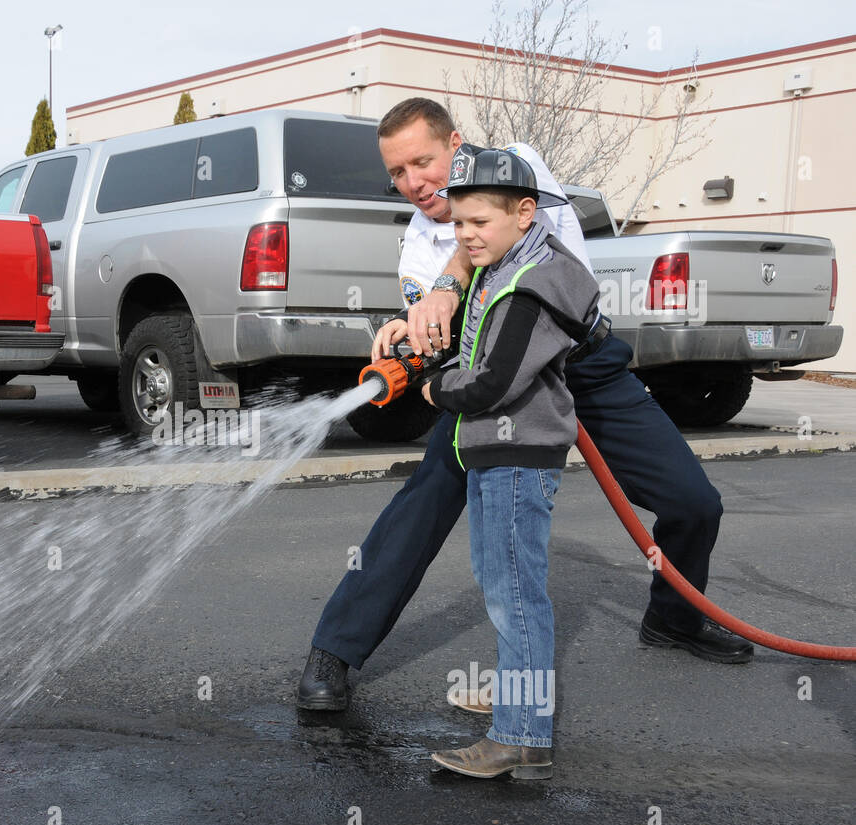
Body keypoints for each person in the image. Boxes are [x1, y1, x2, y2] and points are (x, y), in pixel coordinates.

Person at [296, 98, 749, 715]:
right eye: (398, 173)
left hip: (585, 367)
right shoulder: (414, 247)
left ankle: (674, 617)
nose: (414, 183)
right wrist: (414, 333)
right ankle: (335, 649)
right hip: (501, 381)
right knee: (422, 505)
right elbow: (447, 336)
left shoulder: (517, 167)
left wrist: (448, 286)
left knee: (694, 503)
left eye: (424, 162)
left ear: (457, 144)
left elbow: (514, 236)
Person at [422, 145, 594, 778]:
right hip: (498, 451)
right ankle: (516, 698)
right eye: (458, 223)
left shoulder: (528, 287)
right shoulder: (503, 268)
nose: (465, 236)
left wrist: (434, 391)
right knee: (504, 585)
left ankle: (520, 737)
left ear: (525, 213)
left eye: (479, 223)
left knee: (514, 595)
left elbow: (493, 382)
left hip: (517, 455)